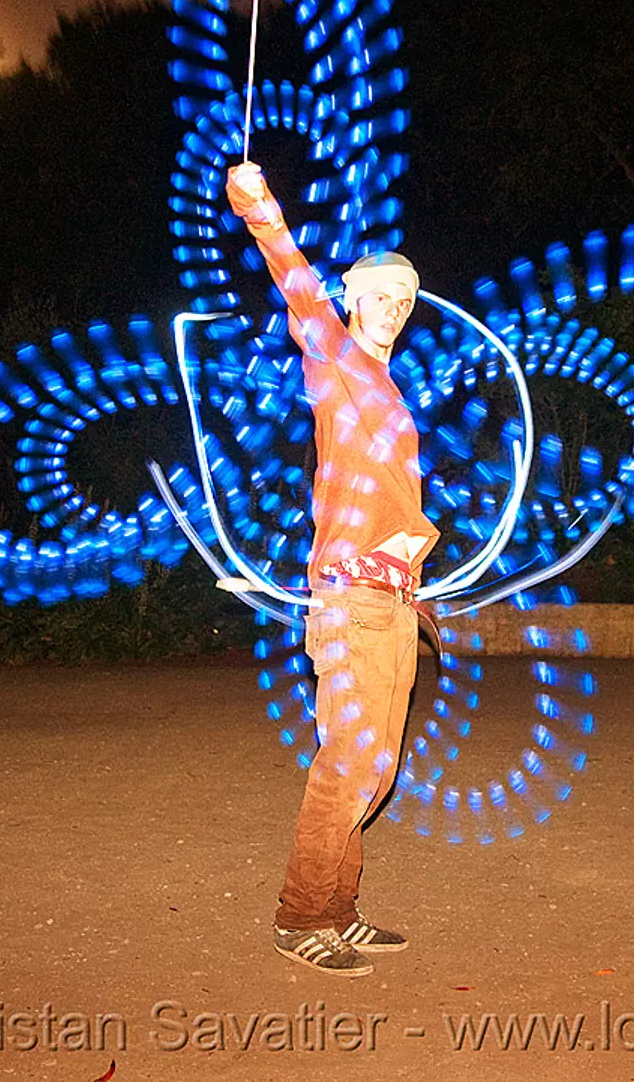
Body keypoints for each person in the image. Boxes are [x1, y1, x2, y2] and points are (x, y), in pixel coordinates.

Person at [226, 161, 439, 977]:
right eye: (380, 294)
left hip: (393, 605)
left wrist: (412, 552)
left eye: (404, 300)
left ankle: (340, 910)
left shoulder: (386, 387)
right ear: (353, 299)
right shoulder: (335, 359)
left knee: (375, 769)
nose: (393, 308)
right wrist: (257, 200)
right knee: (347, 762)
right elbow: (294, 280)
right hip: (348, 602)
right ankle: (300, 915)